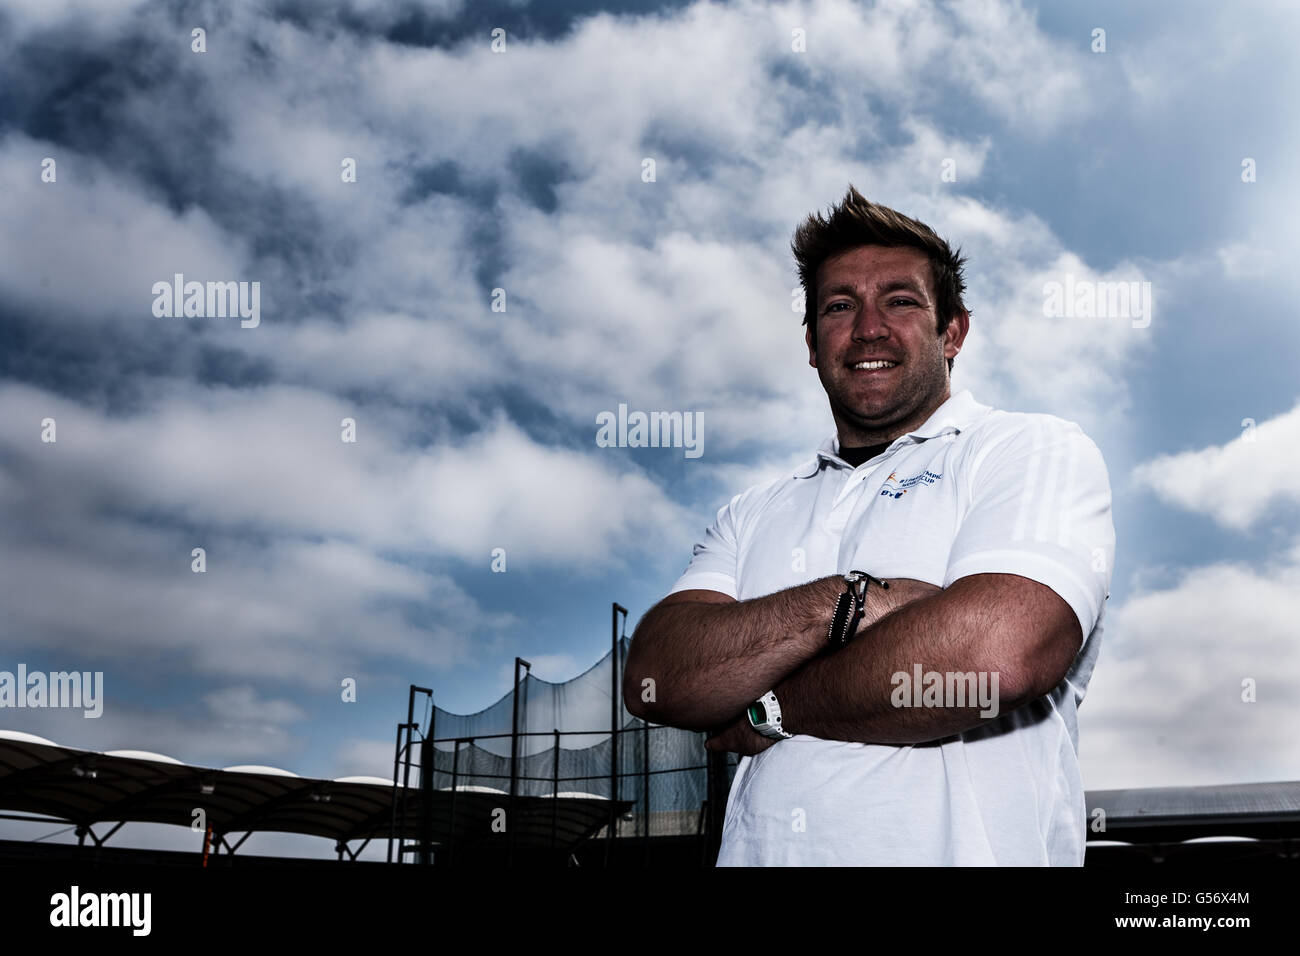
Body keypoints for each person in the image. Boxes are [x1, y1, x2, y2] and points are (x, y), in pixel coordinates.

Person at [623, 186, 1116, 866]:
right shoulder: (755, 510)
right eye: (839, 306)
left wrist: (769, 707)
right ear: (811, 343)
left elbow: (992, 658)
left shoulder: (1028, 450)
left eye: (901, 300)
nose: (869, 327)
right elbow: (656, 675)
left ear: (954, 332)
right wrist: (851, 602)